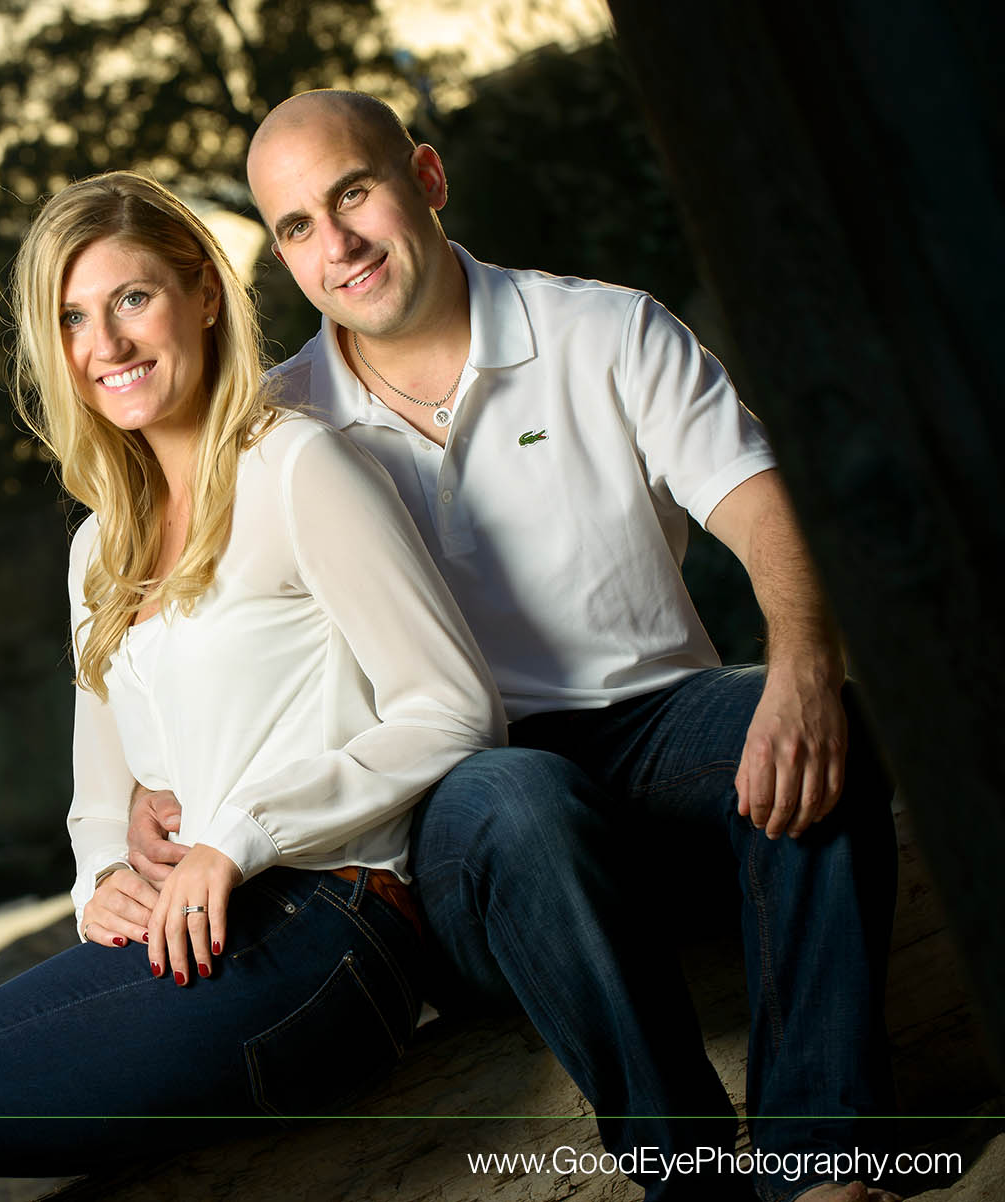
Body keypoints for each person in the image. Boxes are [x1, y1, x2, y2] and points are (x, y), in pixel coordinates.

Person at [125, 91, 900, 1202]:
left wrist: (802, 671)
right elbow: (211, 639)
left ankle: (823, 1167)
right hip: (455, 813)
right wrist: (152, 798)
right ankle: (695, 1185)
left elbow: (765, 505)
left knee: (833, 725)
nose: (335, 245)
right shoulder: (278, 432)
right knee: (522, 792)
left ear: (427, 179)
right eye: (295, 226)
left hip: (652, 739)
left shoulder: (604, 330)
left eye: (353, 193)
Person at [0, 170, 505, 1200]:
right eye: (73, 318)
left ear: (203, 290)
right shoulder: (96, 554)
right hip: (193, 941)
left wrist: (239, 832)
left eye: (131, 299)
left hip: (329, 929)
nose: (105, 345)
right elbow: (98, 802)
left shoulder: (299, 468)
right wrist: (101, 883)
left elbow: (455, 706)